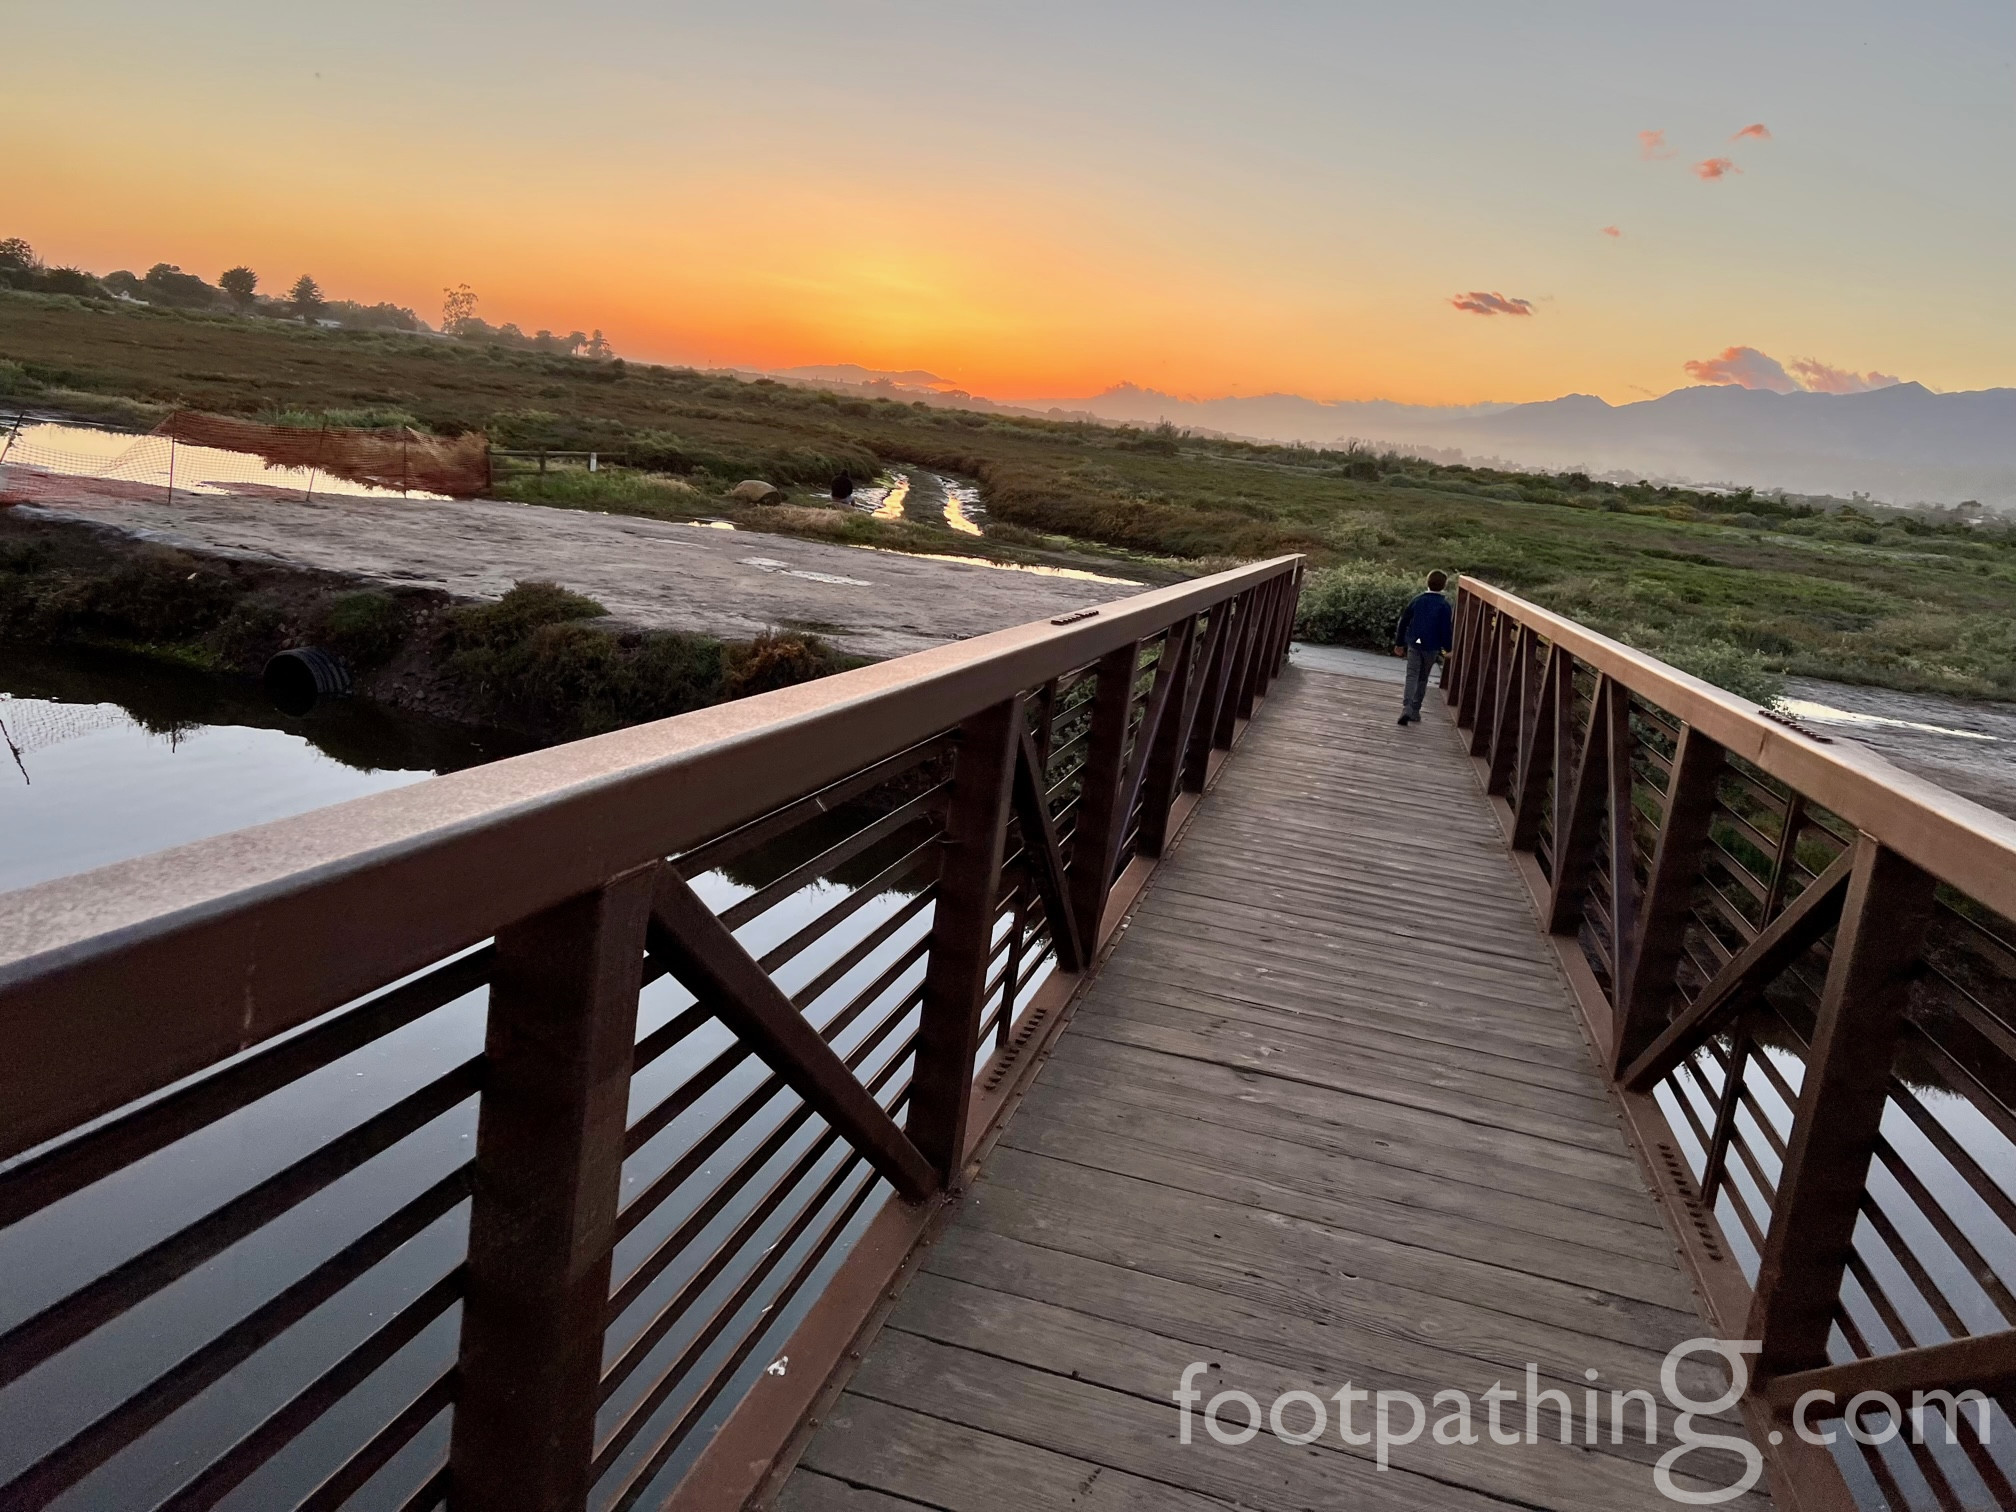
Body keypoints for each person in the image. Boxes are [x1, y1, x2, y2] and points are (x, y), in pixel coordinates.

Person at [1391, 571, 1453, 726]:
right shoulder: (1444, 605)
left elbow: (1404, 621)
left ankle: (1406, 707)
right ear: (1444, 585)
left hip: (1414, 643)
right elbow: (1445, 629)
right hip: (1431, 647)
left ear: (1427, 582)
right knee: (1423, 678)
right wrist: (1448, 649)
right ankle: (1415, 710)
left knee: (1411, 675)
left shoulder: (1417, 600)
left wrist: (1399, 643)